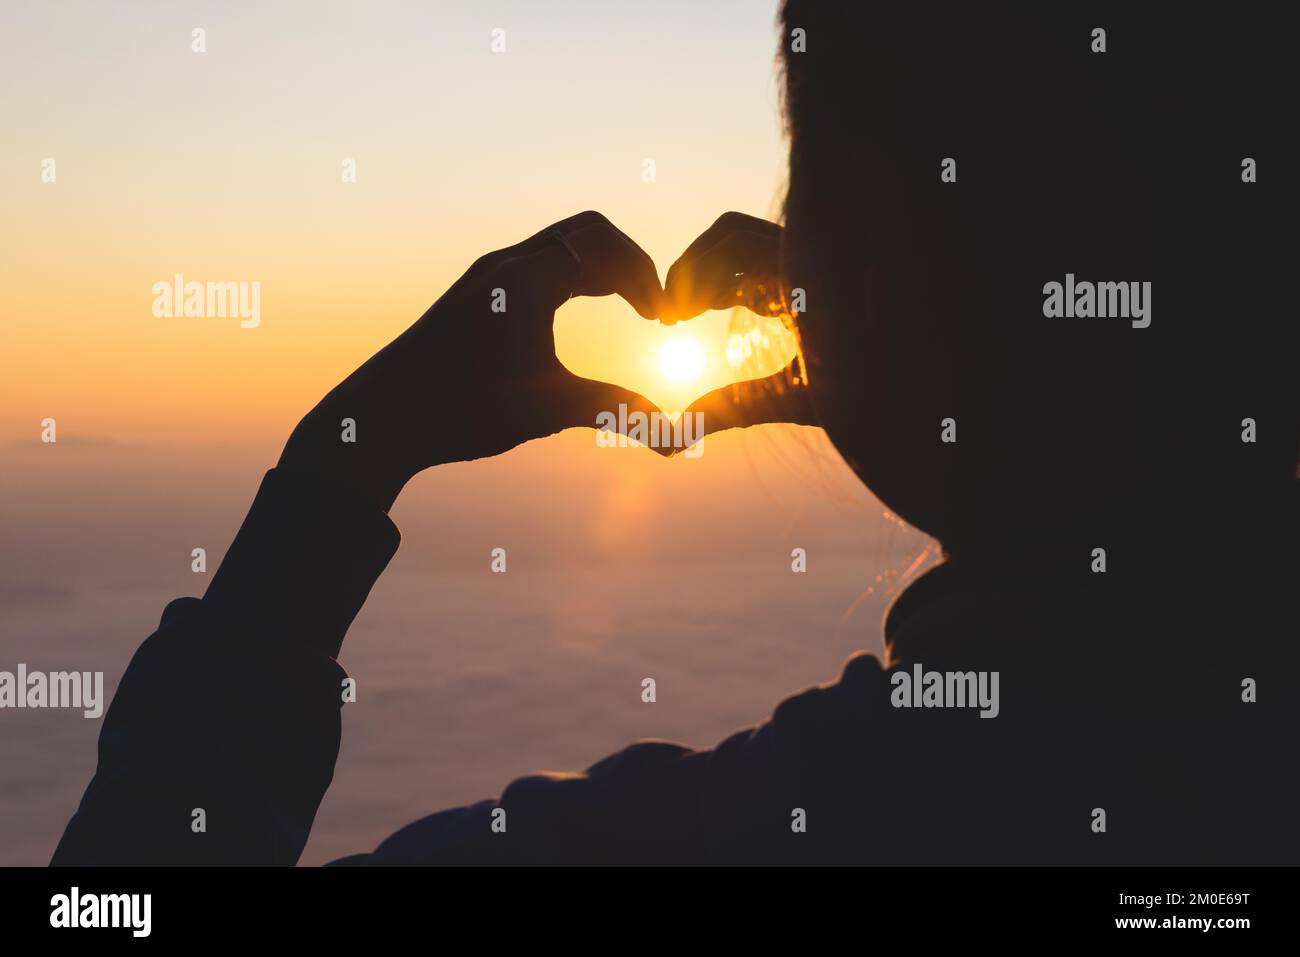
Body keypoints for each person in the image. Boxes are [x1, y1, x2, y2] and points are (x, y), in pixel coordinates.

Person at [52, 4, 1294, 866]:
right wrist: (910, 361)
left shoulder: (760, 835)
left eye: (804, 177)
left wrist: (348, 459)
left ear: (875, 253)